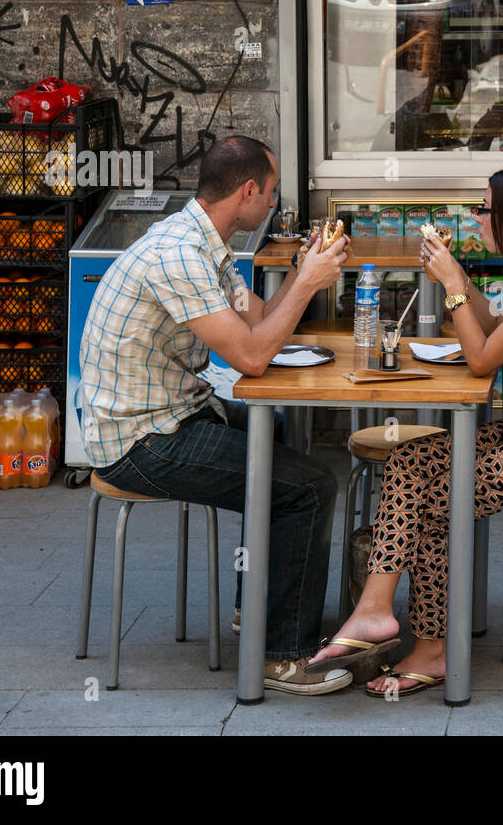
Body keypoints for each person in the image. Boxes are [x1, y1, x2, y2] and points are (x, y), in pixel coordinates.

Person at [305, 168, 503, 696]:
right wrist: (459, 281)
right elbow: (497, 330)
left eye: (485, 207)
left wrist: (452, 284)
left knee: (434, 495)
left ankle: (426, 645)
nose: (477, 216)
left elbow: (480, 360)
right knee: (409, 461)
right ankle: (379, 611)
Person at [79, 135, 354, 696]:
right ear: (248, 191)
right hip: (141, 441)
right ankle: (282, 656)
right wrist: (306, 283)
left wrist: (302, 270)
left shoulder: (205, 243)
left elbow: (261, 322)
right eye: (272, 193)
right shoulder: (179, 255)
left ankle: (253, 610)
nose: (275, 205)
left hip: (176, 412)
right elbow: (253, 357)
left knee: (273, 432)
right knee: (311, 487)